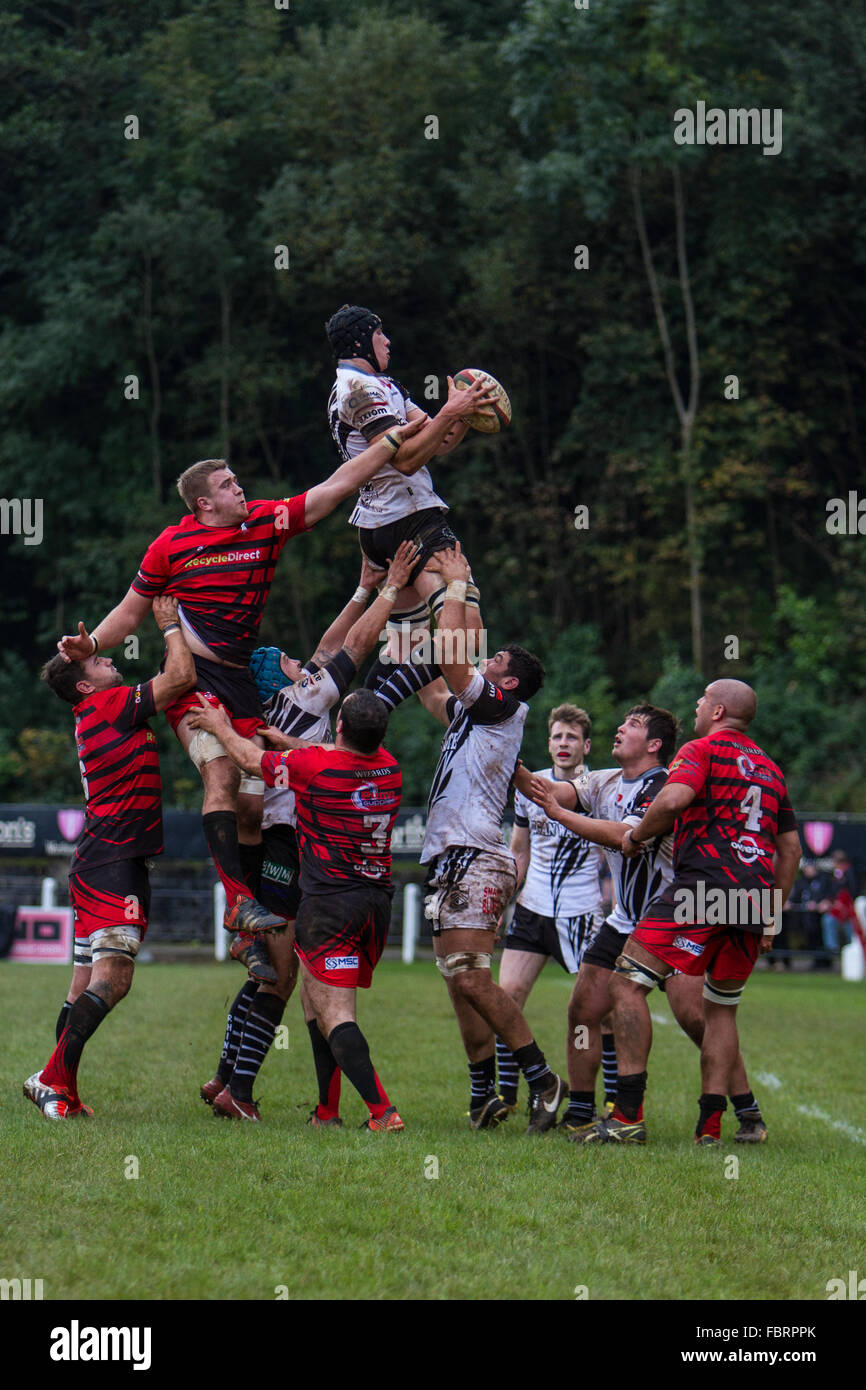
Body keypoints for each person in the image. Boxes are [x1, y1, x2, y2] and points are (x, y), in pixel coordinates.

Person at [55, 423, 424, 980]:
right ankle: (236, 902)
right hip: (193, 678)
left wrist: (390, 445)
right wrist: (93, 644)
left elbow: (333, 488)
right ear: (204, 503)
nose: (240, 488)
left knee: (252, 805)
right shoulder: (170, 546)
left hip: (238, 684)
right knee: (222, 778)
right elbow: (132, 611)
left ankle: (240, 923)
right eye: (228, 485)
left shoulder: (265, 522)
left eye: (237, 481)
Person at [198, 540, 422, 1121]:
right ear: (285, 677)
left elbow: (326, 648)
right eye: (295, 663)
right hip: (289, 850)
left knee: (274, 969)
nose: (306, 663)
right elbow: (351, 646)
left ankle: (226, 1078)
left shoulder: (274, 714)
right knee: (281, 973)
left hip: (263, 843)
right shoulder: (314, 700)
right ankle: (239, 1092)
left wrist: (361, 587)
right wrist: (388, 589)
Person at [526, 702, 768, 1143]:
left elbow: (622, 838)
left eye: (631, 726)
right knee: (583, 1011)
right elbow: (554, 794)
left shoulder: (664, 782)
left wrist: (562, 816)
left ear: (654, 744)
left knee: (697, 1018)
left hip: (675, 916)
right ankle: (582, 1108)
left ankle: (745, 1108)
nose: (619, 728)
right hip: (625, 921)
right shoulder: (603, 780)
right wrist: (505, 764)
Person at [588, 679, 801, 1146]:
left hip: (704, 887)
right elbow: (790, 850)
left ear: (720, 711)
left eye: (703, 700)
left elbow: (674, 799)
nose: (698, 707)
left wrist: (636, 835)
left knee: (626, 984)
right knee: (721, 1012)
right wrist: (773, 915)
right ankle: (711, 1129)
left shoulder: (701, 750)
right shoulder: (770, 769)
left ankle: (626, 1117)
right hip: (754, 897)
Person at [189, 689, 404, 1130]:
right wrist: (290, 741)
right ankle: (326, 1112)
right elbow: (333, 756)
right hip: (375, 905)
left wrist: (218, 726)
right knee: (314, 1004)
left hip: (328, 907)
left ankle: (383, 1113)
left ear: (339, 727)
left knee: (336, 1012)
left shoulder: (315, 769)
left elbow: (250, 760)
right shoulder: (389, 767)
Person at [408, 545, 563, 1133]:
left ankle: (542, 1078)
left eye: (494, 658)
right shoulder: (476, 712)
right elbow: (432, 688)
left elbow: (453, 662)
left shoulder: (504, 706)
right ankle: (483, 1097)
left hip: (478, 857)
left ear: (510, 679)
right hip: (453, 857)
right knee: (459, 984)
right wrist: (430, 599)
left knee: (472, 976)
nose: (485, 657)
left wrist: (452, 589)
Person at [25, 597, 195, 1119]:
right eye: (99, 662)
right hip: (113, 860)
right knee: (114, 978)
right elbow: (182, 676)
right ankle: (51, 1078)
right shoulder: (108, 704)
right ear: (85, 685)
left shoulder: (100, 707)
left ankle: (63, 1091)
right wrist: (168, 622)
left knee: (83, 982)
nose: (109, 659)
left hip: (102, 857)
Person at [326, 304, 494, 662]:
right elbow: (403, 460)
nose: (388, 342)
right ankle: (480, 709)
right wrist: (451, 411)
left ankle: (372, 707)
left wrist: (462, 413)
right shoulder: (356, 388)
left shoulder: (383, 385)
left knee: (406, 649)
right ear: (360, 342)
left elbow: (439, 441)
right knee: (467, 628)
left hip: (385, 525)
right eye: (379, 334)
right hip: (407, 518)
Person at [496, 705, 606, 1114]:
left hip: (581, 915)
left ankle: (603, 1102)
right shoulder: (532, 786)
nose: (564, 744)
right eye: (558, 737)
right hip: (532, 909)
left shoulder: (598, 787)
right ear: (548, 743)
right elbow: (519, 851)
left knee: (596, 1015)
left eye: (572, 737)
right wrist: (502, 902)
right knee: (506, 1000)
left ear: (586, 745)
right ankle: (506, 1094)